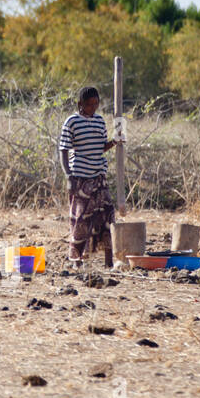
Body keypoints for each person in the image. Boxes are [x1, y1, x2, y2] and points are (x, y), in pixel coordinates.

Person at [59, 86, 118, 268]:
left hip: (99, 175)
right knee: (81, 219)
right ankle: (77, 261)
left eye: (95, 104)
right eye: (88, 104)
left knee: (108, 216)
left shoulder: (100, 121)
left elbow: (100, 148)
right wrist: (69, 176)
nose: (92, 108)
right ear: (80, 104)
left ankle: (109, 261)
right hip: (80, 177)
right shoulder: (72, 122)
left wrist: (115, 142)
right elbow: (63, 149)